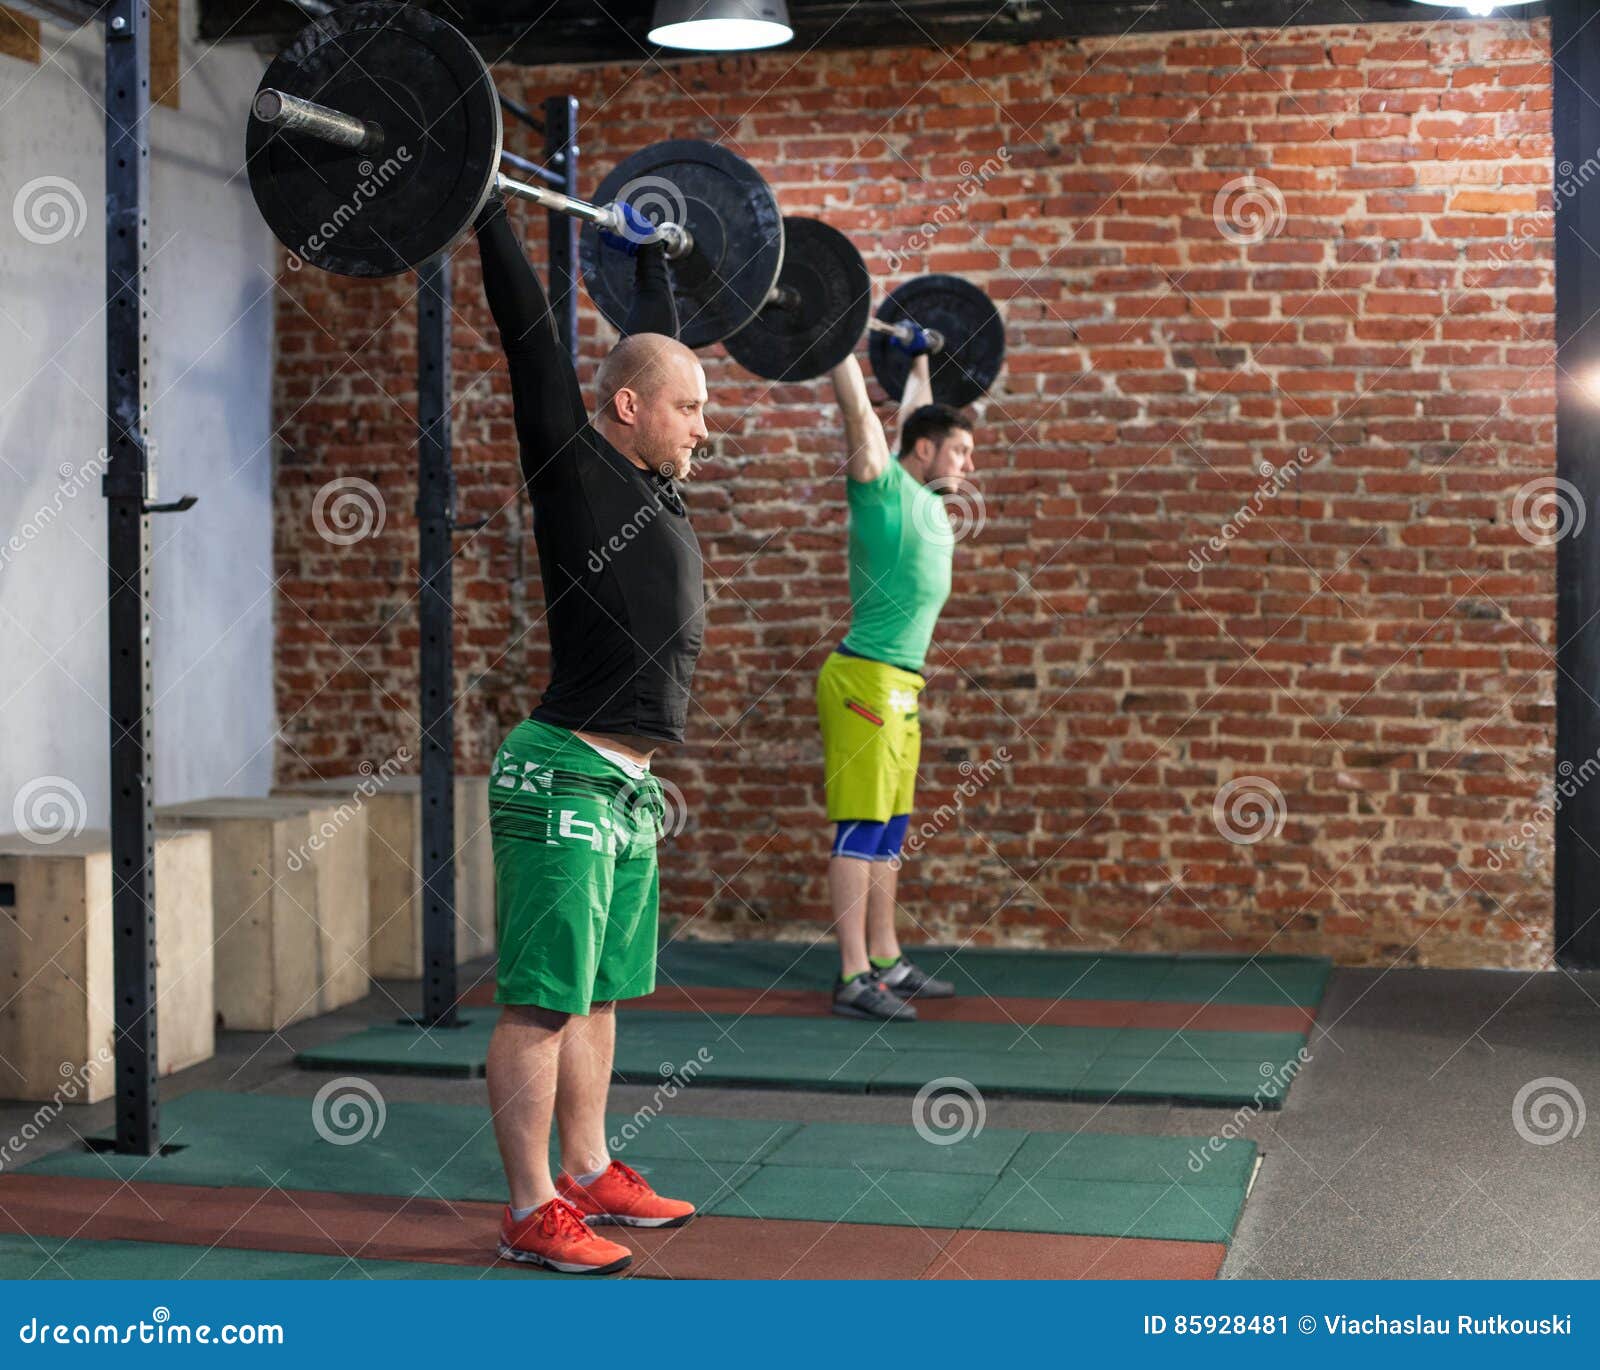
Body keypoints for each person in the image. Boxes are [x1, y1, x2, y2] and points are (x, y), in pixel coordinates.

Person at [475, 193, 706, 1274]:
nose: (704, 423)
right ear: (627, 406)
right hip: (562, 767)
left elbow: (665, 346)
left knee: (602, 991)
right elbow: (530, 341)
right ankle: (529, 1208)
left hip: (625, 788)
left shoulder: (660, 490)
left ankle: (588, 1166)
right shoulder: (575, 470)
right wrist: (481, 204)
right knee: (543, 999)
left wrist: (652, 257)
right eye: (690, 408)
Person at [819, 332, 978, 1021]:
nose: (969, 464)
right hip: (864, 681)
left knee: (892, 826)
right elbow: (860, 411)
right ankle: (853, 976)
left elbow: (917, 409)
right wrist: (833, 336)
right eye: (961, 450)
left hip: (901, 686)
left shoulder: (927, 498)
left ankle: (885, 957)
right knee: (860, 825)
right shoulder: (881, 489)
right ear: (923, 452)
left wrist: (918, 358)